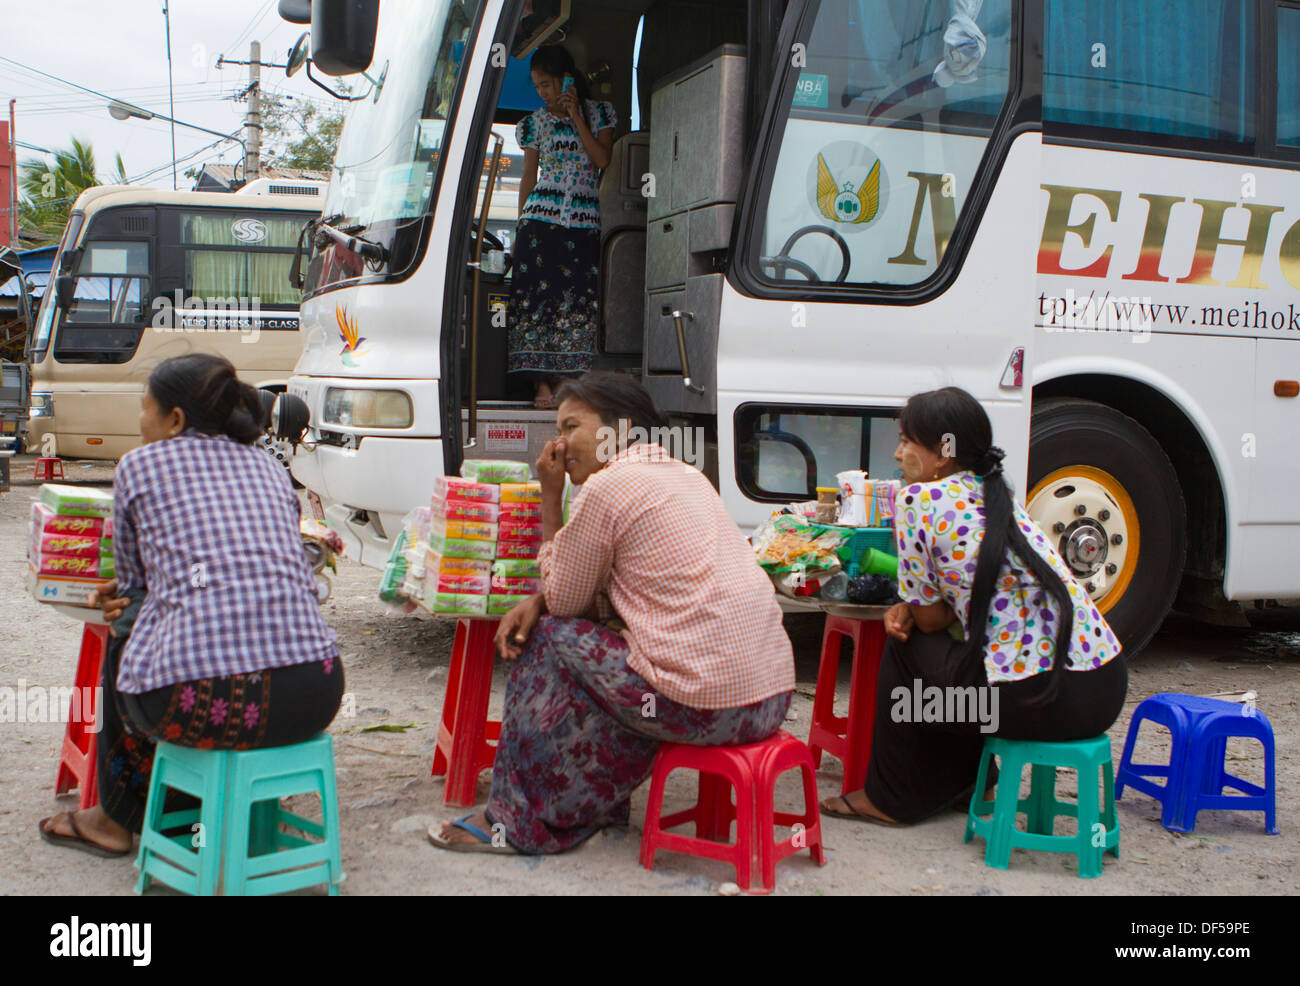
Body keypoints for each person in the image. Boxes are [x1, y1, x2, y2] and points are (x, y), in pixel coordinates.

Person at [429, 372, 795, 853]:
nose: (558, 444)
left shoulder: (608, 487)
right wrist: (541, 600)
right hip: (769, 702)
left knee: (547, 637)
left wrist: (549, 497)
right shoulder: (688, 476)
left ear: (617, 432)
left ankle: (516, 822)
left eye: (570, 427)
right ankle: (592, 807)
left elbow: (564, 601)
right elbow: (607, 595)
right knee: (605, 650)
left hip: (707, 707)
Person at [37, 354, 343, 857]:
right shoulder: (270, 469)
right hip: (314, 695)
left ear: (174, 419)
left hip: (202, 707)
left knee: (127, 640)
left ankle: (116, 821)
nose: (139, 421)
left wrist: (129, 602)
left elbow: (135, 590)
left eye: (144, 408)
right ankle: (202, 810)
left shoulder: (139, 465)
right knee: (168, 641)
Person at [820, 386, 1127, 826]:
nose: (898, 452)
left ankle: (890, 799)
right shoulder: (996, 494)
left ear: (943, 452)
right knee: (967, 665)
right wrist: (925, 606)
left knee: (906, 651)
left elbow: (928, 621)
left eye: (907, 441)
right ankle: (969, 782)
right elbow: (962, 604)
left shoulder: (918, 500)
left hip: (1037, 704)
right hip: (1103, 689)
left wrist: (910, 606)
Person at [509, 45, 617, 409]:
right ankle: (541, 384)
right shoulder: (535, 123)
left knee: (577, 303)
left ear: (566, 78)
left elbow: (601, 160)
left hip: (584, 223)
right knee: (538, 302)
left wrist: (576, 118)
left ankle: (568, 386)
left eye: (549, 84)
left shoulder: (600, 114)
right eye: (539, 86)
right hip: (540, 222)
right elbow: (528, 177)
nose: (544, 93)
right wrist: (519, 223)